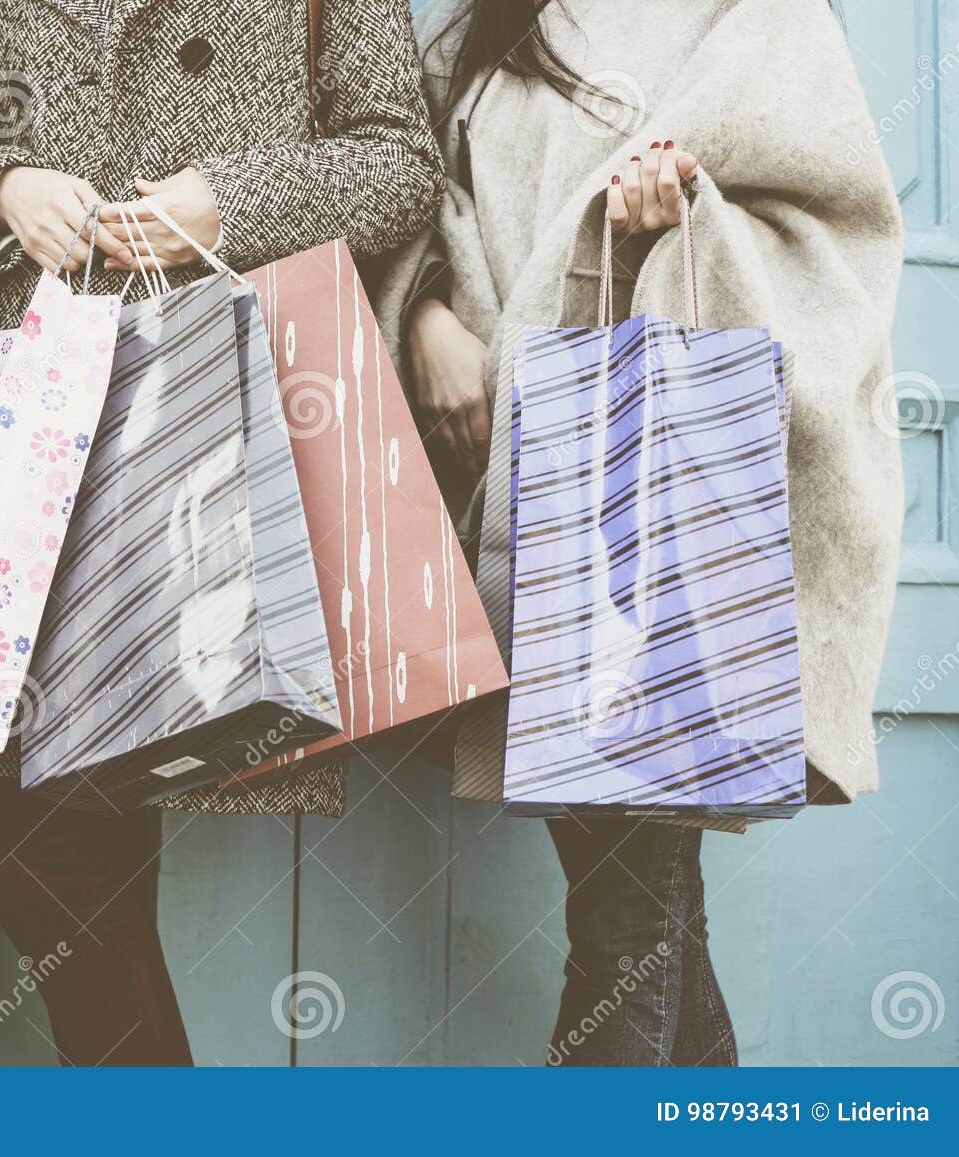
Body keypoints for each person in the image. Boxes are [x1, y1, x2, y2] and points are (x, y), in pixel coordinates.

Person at [380, 0, 904, 1065]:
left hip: (660, 523)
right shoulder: (491, 25)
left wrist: (677, 224)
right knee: (652, 914)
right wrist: (424, 312)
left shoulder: (768, 23)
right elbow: (411, 198)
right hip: (512, 493)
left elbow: (838, 241)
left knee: (624, 924)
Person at [0, 0, 444, 1065]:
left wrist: (229, 203)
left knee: (105, 796)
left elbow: (403, 163)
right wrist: (5, 189)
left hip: (214, 425)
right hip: (40, 416)